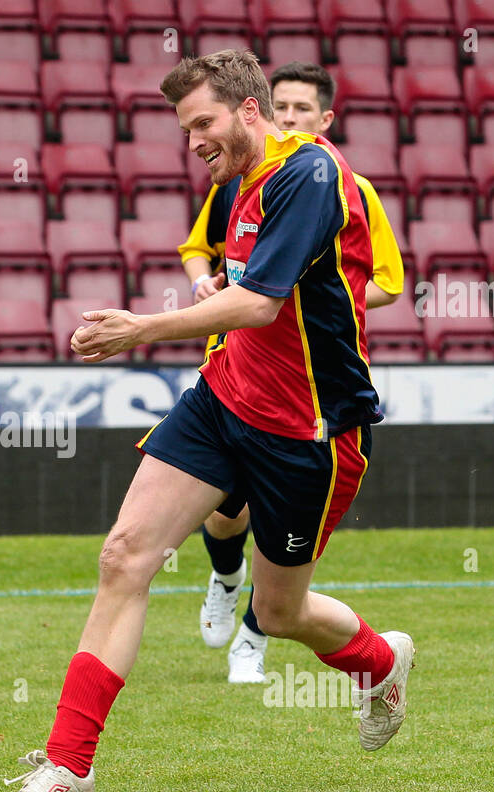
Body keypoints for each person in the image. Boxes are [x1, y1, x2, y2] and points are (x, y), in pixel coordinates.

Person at [0, 49, 413, 792]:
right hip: (224, 399)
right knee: (125, 555)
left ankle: (379, 663)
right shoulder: (236, 185)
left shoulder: (312, 174)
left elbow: (261, 304)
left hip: (311, 433)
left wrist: (142, 328)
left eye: (203, 123)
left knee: (280, 611)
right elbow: (242, 291)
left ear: (249, 111)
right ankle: (68, 766)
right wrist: (215, 289)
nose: (192, 141)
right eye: (185, 128)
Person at [180, 61, 405, 684]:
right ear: (256, 108)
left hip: (305, 389)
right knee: (221, 516)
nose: (288, 117)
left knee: (280, 577)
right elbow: (206, 250)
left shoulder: (342, 185)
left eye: (301, 109)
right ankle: (226, 578)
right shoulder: (235, 180)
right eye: (278, 105)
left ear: (325, 119)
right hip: (232, 369)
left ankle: (253, 641)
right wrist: (209, 282)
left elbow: (386, 282)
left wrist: (313, 284)